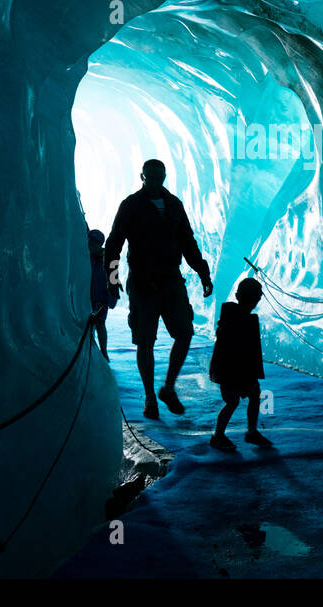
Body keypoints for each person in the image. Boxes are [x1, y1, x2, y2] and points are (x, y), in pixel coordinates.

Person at [104, 159, 215, 419]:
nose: (155, 181)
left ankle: (167, 388)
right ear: (142, 176)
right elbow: (114, 243)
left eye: (159, 176)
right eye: (151, 177)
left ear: (164, 176)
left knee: (185, 333)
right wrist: (111, 278)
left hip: (170, 279)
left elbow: (187, 241)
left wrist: (202, 271)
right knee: (145, 340)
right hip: (143, 281)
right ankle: (150, 397)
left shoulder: (174, 205)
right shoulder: (131, 205)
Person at [208, 278, 272, 451]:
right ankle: (218, 436)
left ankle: (249, 432)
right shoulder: (243, 320)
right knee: (234, 401)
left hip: (236, 370)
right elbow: (245, 349)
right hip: (233, 371)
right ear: (257, 299)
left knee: (244, 398)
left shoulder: (231, 316)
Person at [87, 229, 117, 359]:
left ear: (98, 244)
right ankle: (93, 351)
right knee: (90, 325)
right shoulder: (89, 258)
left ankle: (104, 352)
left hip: (101, 298)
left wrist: (112, 299)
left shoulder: (109, 259)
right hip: (88, 297)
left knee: (100, 324)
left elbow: (114, 279)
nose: (88, 246)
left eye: (91, 243)